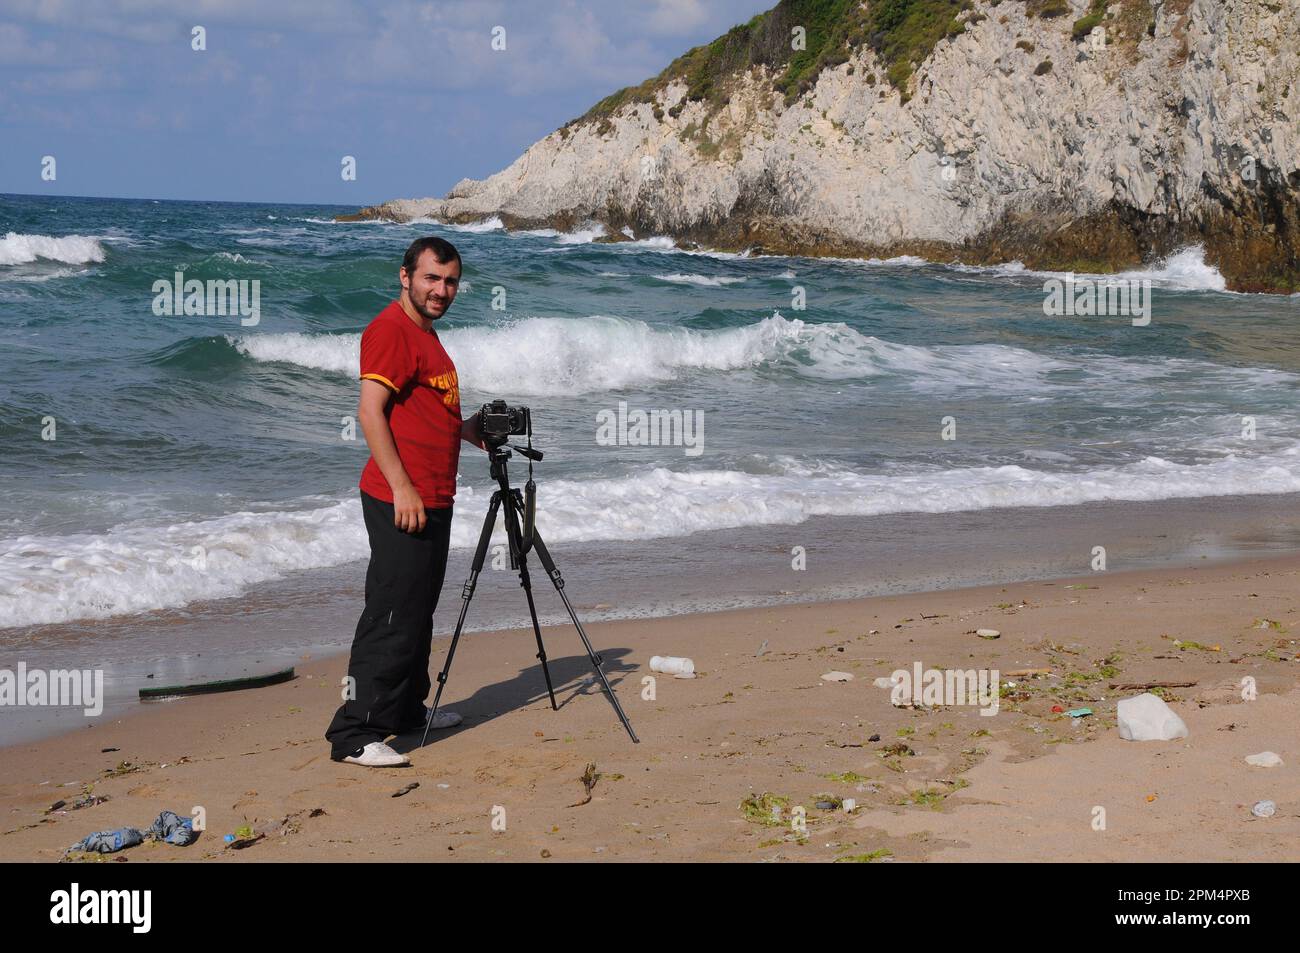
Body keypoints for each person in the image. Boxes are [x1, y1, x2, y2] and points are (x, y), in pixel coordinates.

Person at [325, 236, 485, 767]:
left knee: (417, 611)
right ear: (405, 277)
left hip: (433, 495)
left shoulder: (427, 336)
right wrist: (402, 487)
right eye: (431, 279)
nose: (441, 290)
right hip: (402, 498)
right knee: (390, 613)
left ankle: (408, 712)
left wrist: (466, 431)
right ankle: (354, 734)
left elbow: (422, 413)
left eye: (450, 281)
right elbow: (370, 414)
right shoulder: (390, 330)